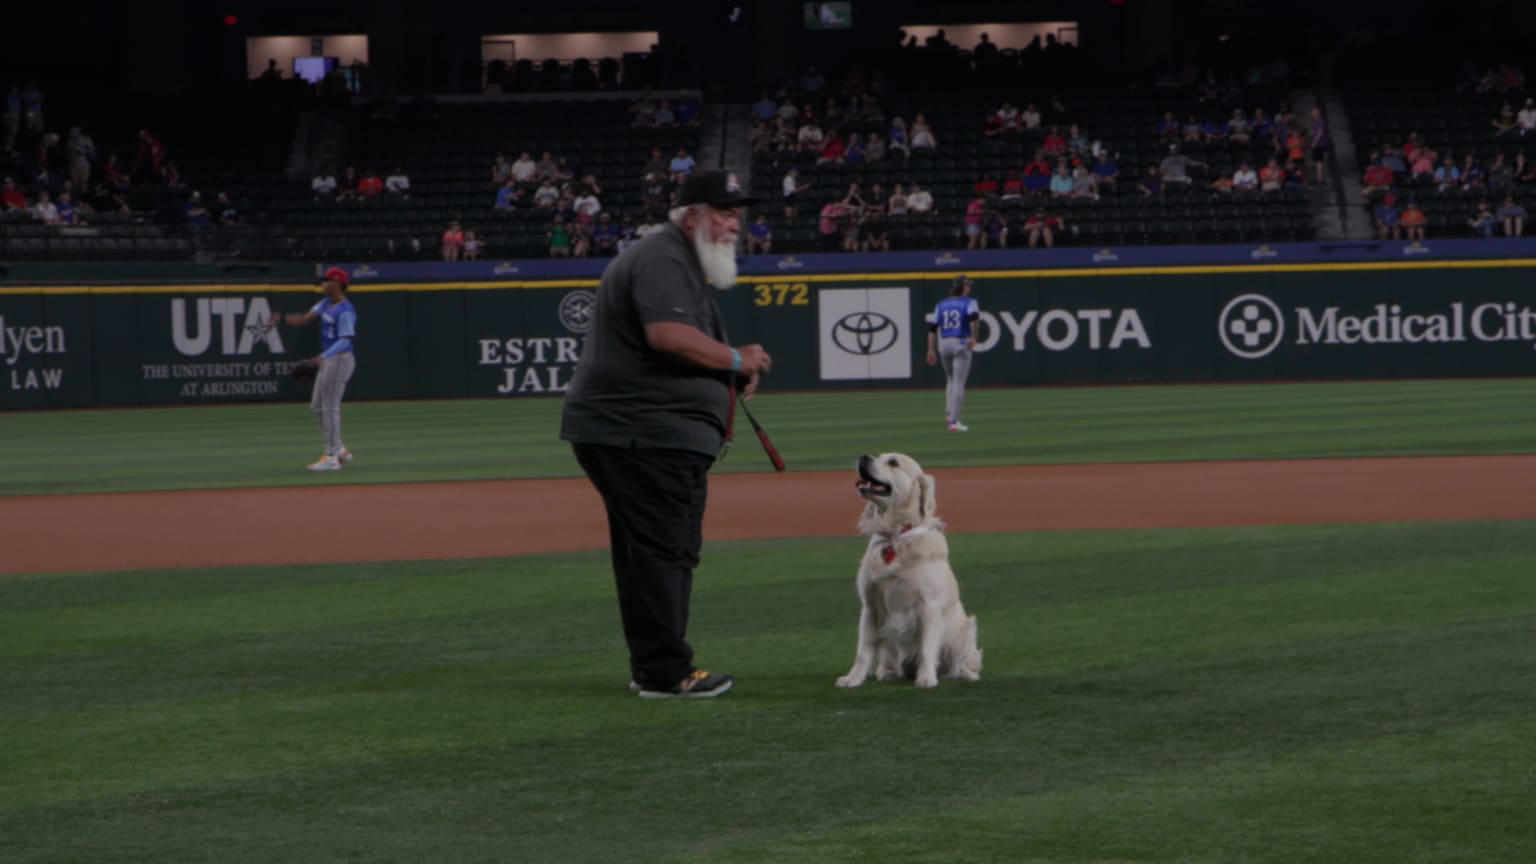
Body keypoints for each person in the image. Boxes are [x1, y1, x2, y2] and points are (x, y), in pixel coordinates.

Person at [560, 171, 772, 699]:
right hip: (642, 432)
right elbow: (668, 337)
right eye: (723, 213)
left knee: (651, 551)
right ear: (691, 215)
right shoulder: (663, 256)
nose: (732, 225)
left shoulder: (676, 259)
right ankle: (666, 671)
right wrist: (733, 358)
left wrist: (727, 370)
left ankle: (655, 665)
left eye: (736, 215)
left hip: (638, 431)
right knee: (663, 550)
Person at [271, 267, 358, 471]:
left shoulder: (345, 310)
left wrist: (322, 357)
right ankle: (340, 449)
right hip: (330, 359)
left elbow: (346, 340)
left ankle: (331, 457)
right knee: (317, 406)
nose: (323, 284)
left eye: (326, 281)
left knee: (330, 407)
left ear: (337, 283)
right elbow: (306, 318)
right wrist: (282, 319)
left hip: (339, 359)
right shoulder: (326, 303)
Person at [926, 275, 980, 432]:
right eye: (967, 285)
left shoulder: (941, 304)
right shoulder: (969, 302)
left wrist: (930, 349)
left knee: (950, 379)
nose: (969, 288)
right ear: (963, 287)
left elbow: (932, 328)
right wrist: (973, 337)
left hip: (944, 344)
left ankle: (949, 415)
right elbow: (974, 318)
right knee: (958, 383)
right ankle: (954, 422)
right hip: (960, 343)